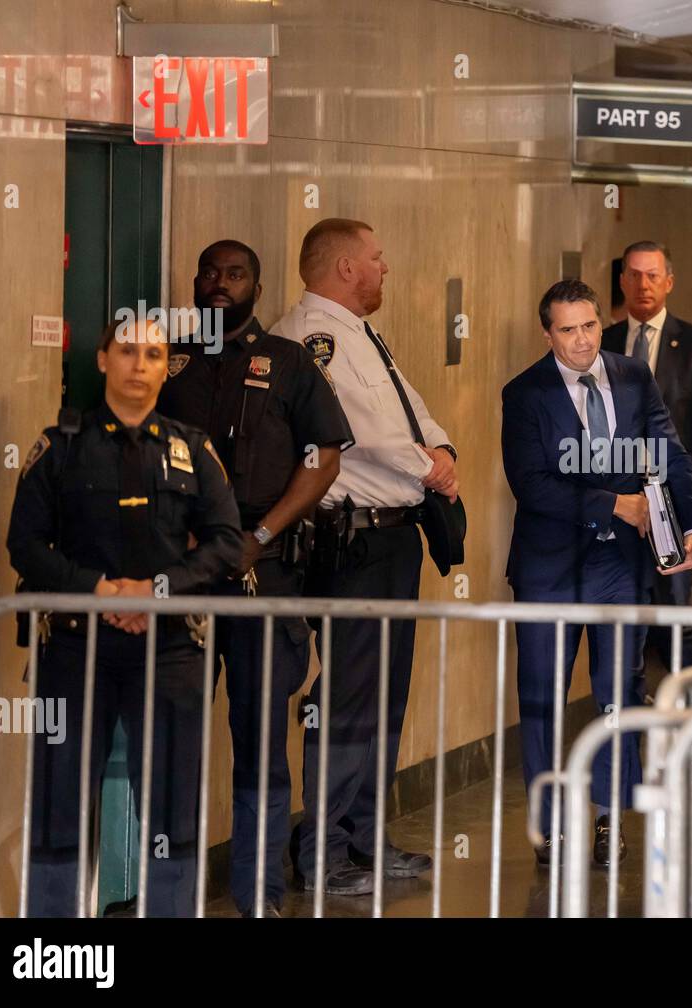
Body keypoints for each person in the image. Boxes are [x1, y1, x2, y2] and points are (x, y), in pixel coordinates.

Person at [7, 319, 242, 917]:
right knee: (59, 799)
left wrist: (154, 592)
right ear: (103, 359)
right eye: (128, 351)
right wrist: (100, 591)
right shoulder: (60, 445)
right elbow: (25, 544)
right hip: (74, 648)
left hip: (168, 651)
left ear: (166, 367)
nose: (140, 363)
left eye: (154, 354)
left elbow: (223, 542)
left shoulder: (192, 448)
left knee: (171, 802)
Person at [157, 240, 353, 918]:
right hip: (180, 577)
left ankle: (259, 896)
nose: (218, 283)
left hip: (260, 572)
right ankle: (170, 899)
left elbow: (324, 459)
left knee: (261, 743)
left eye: (233, 273)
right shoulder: (168, 359)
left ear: (256, 286)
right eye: (208, 272)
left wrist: (260, 536)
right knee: (173, 741)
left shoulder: (291, 362)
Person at [272, 218, 458, 896]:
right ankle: (323, 849)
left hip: (390, 535)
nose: (384, 268)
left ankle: (362, 834)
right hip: (351, 538)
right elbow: (366, 429)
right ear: (347, 267)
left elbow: (407, 406)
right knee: (349, 697)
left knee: (384, 693)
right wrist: (429, 469)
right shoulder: (312, 337)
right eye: (376, 257)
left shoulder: (357, 330)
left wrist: (443, 450)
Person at [502, 279, 692, 867]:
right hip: (549, 567)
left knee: (618, 693)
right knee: (542, 699)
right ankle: (548, 827)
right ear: (547, 333)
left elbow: (667, 449)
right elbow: (531, 483)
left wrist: (687, 523)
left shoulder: (633, 375)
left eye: (590, 326)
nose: (582, 340)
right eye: (568, 330)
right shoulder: (525, 392)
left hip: (620, 564)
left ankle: (610, 819)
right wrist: (614, 503)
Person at [603, 241, 692, 672]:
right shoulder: (602, 340)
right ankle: (628, 708)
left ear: (668, 282)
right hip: (614, 498)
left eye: (652, 275)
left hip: (673, 498)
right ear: (621, 282)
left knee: (674, 610)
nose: (643, 284)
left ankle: (686, 708)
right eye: (633, 275)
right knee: (621, 608)